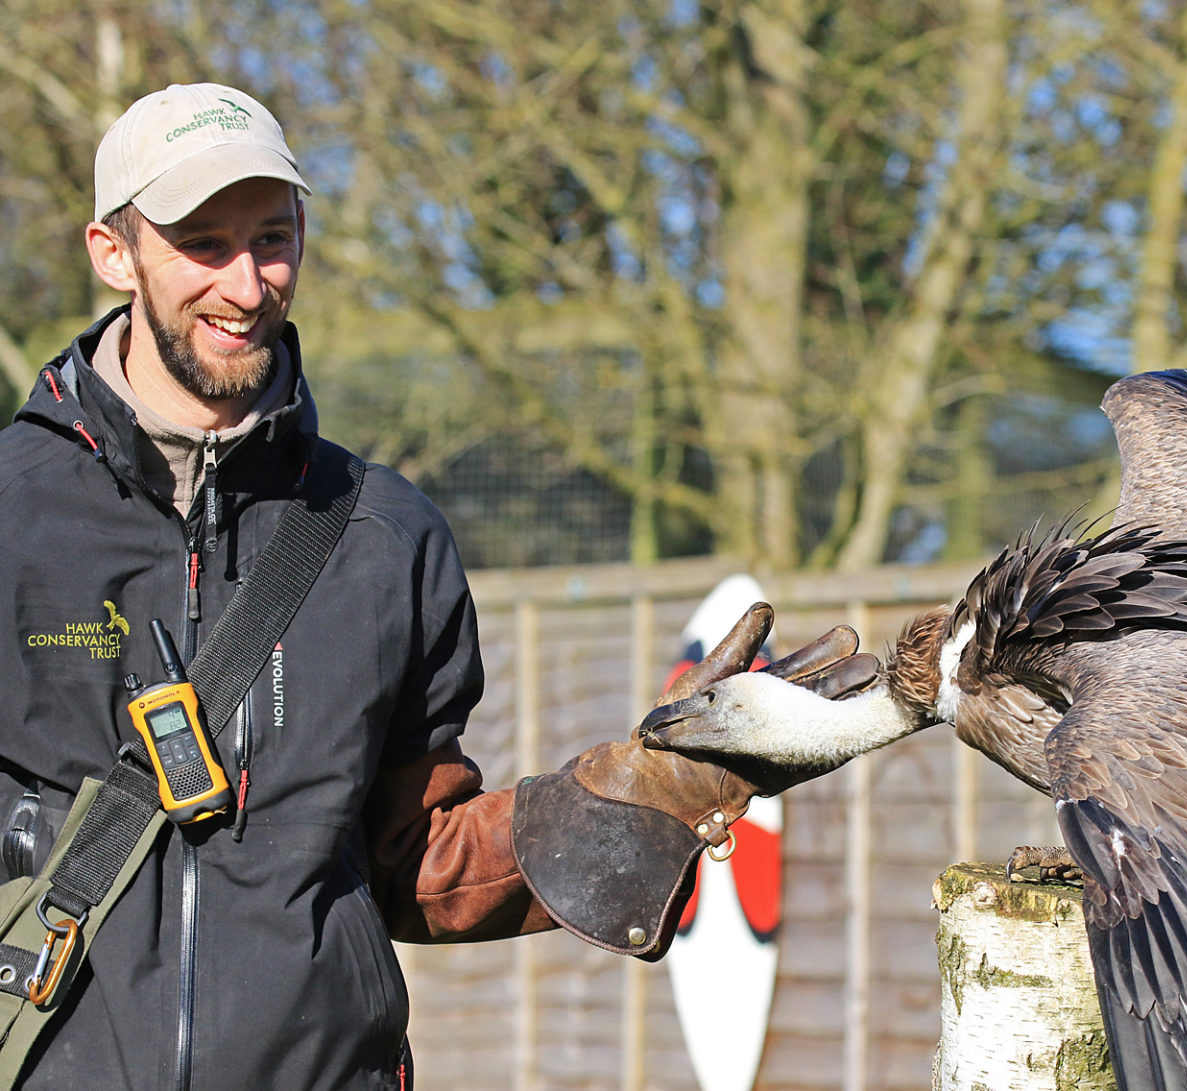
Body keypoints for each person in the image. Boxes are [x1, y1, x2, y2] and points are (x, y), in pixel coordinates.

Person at [0, 83, 873, 1089]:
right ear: (113, 252)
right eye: (202, 243)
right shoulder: (16, 518)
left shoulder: (381, 535)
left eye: (273, 238)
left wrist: (649, 796)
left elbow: (410, 854)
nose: (246, 283)